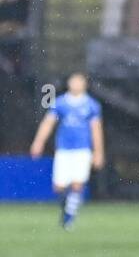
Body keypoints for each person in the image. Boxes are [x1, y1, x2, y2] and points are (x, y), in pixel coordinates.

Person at [29, 72, 104, 229]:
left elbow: (96, 129)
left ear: (85, 84)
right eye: (73, 81)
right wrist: (38, 142)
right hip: (63, 149)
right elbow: (48, 123)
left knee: (77, 184)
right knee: (59, 187)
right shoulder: (60, 103)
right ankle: (66, 207)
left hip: (82, 149)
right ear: (69, 83)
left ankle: (69, 217)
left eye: (79, 81)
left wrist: (98, 152)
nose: (76, 84)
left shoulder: (91, 105)